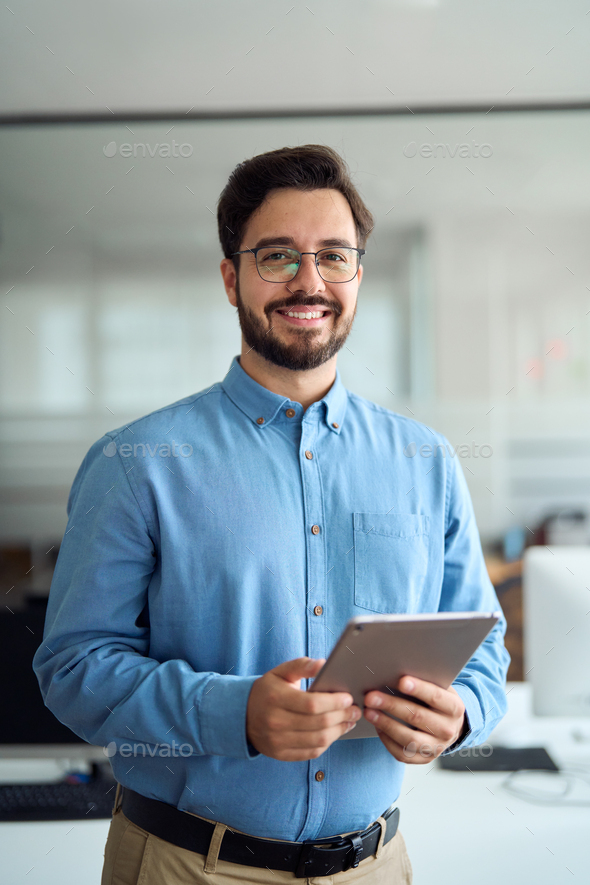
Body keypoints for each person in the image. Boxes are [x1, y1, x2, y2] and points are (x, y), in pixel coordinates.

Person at [33, 144, 510, 884]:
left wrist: (463, 714)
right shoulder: (135, 463)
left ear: (358, 275)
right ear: (232, 278)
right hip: (186, 865)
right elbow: (72, 668)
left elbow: (483, 648)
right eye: (278, 256)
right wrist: (233, 714)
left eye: (333, 256)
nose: (308, 281)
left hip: (377, 865)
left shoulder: (429, 461)